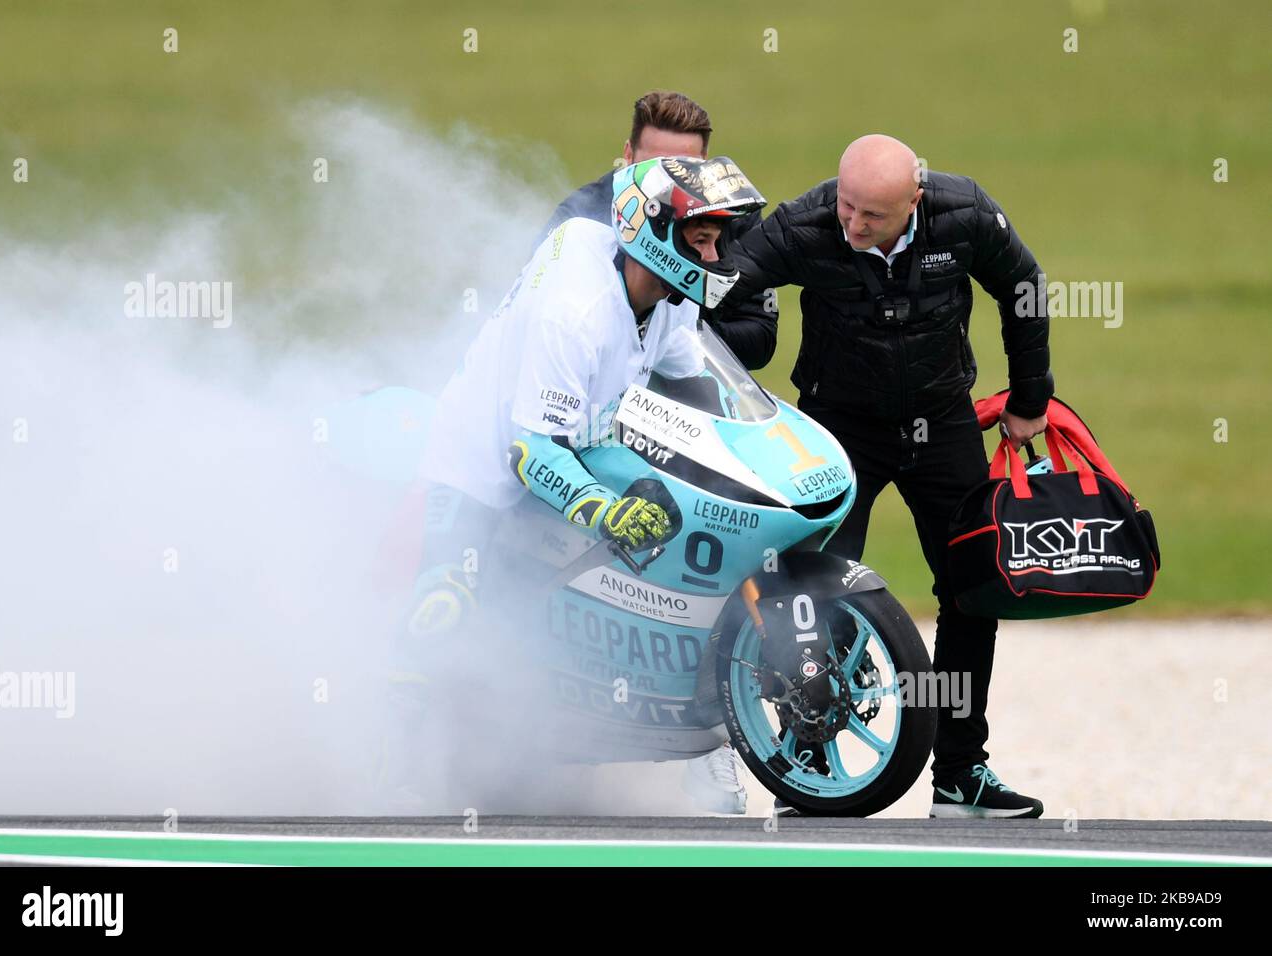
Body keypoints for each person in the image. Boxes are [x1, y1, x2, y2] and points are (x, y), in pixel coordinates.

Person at [405, 155, 768, 815]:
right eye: (702, 239)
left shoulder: (666, 295)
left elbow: (695, 386)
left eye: (718, 238)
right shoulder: (576, 313)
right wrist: (600, 509)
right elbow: (529, 451)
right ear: (654, 231)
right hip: (481, 467)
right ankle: (391, 775)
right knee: (447, 612)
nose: (716, 254)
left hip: (582, 441)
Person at [720, 134, 1050, 818]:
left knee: (972, 592)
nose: (854, 224)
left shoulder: (962, 215)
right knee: (817, 589)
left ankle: (960, 775)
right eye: (846, 205)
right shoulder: (808, 225)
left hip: (943, 422)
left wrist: (1029, 399)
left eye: (872, 213)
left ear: (915, 203)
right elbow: (717, 286)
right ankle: (808, 756)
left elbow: (1023, 283)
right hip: (840, 432)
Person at [539, 90, 777, 371]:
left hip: (694, 391)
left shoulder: (735, 219)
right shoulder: (578, 218)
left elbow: (760, 339)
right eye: (655, 168)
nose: (668, 184)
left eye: (683, 170)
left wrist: (671, 327)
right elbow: (544, 319)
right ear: (628, 155)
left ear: (705, 161)